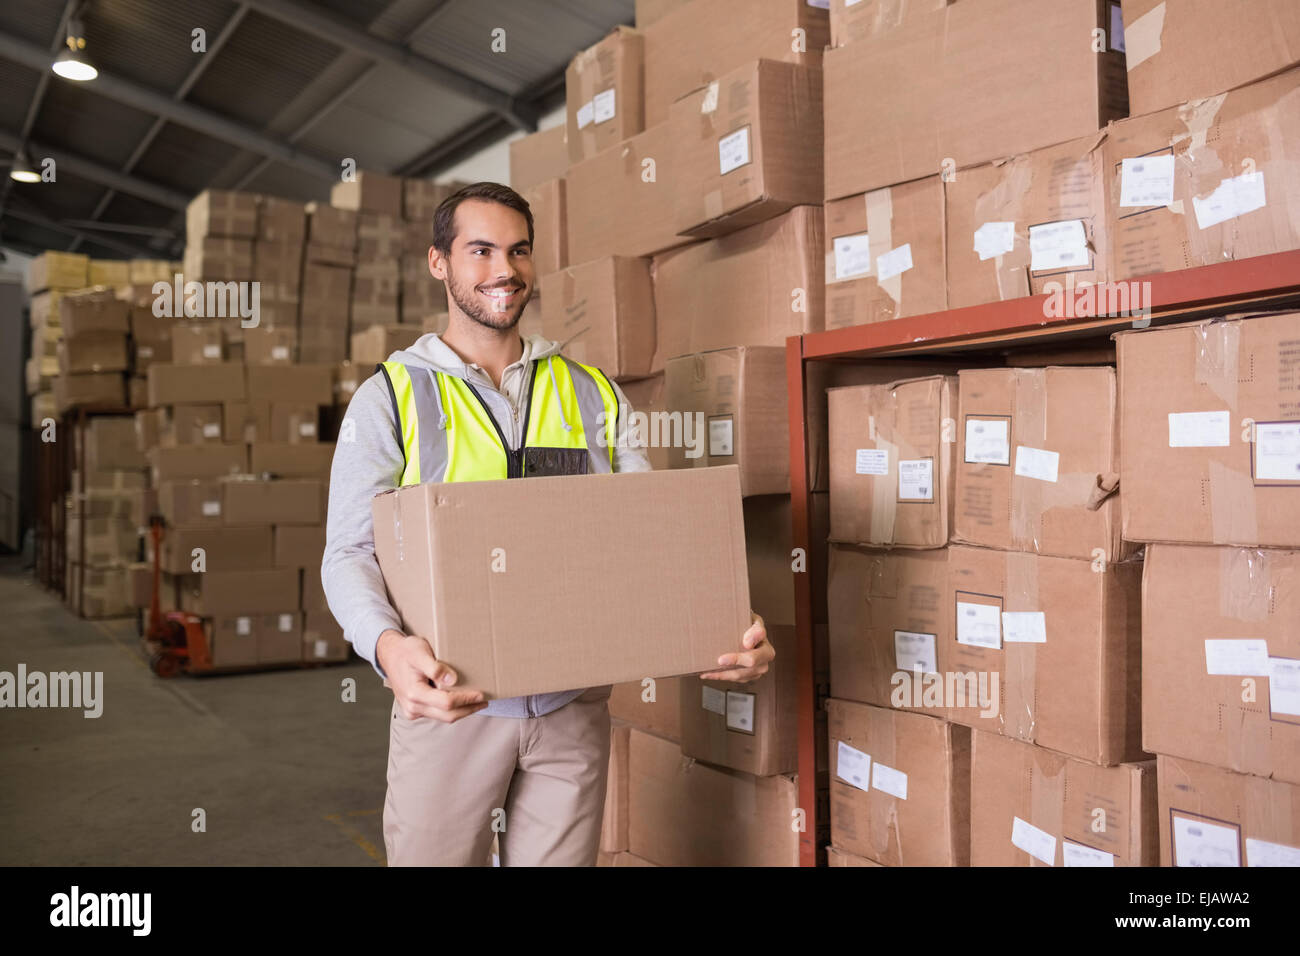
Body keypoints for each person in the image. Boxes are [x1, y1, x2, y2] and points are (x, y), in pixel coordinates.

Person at [321, 182, 773, 866]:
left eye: (518, 250)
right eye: (480, 251)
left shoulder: (590, 392)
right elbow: (349, 551)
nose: (504, 269)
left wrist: (727, 625)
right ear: (439, 262)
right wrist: (387, 648)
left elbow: (653, 537)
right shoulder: (391, 396)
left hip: (571, 713)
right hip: (453, 710)